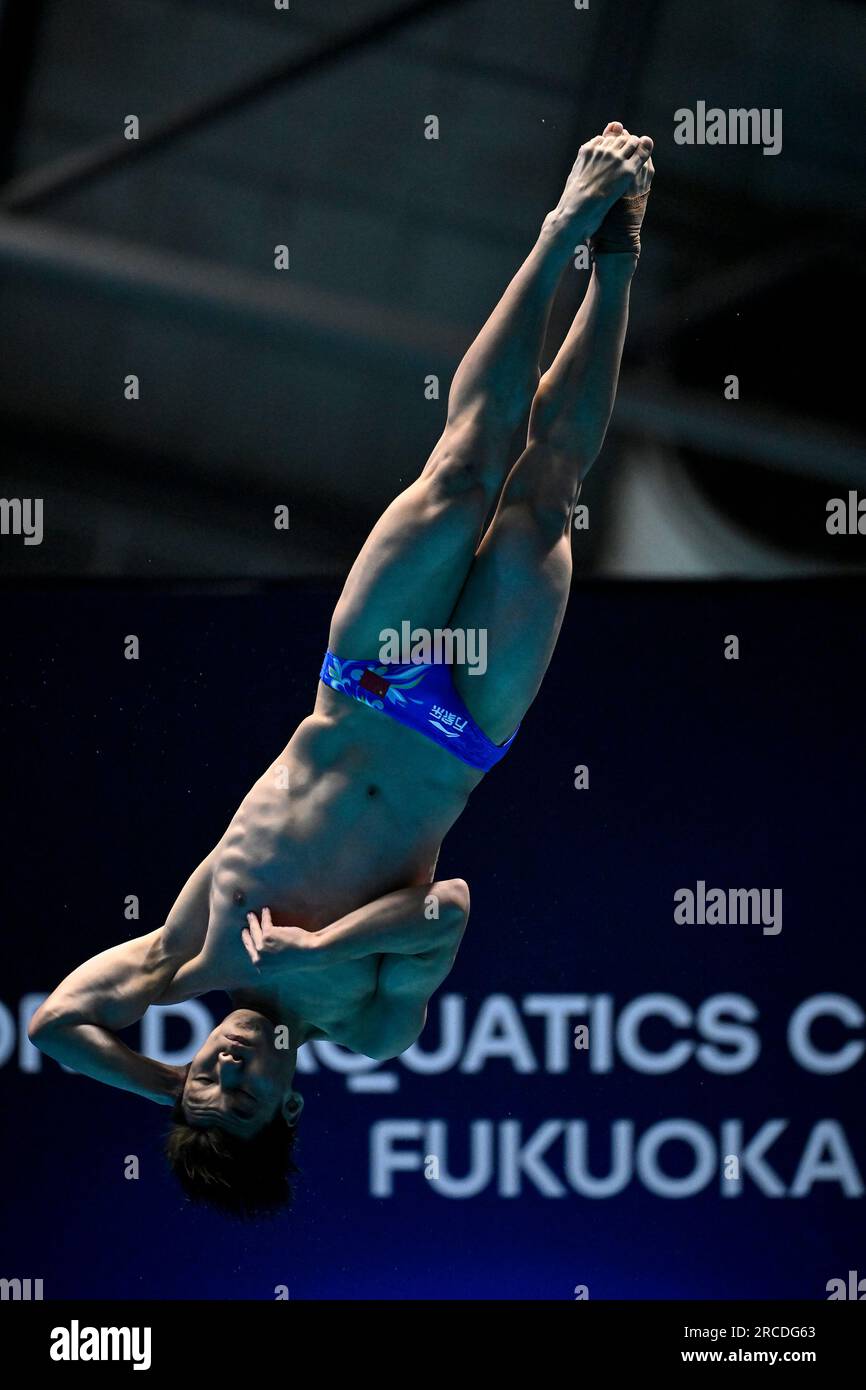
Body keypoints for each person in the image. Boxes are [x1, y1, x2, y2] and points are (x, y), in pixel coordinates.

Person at [29, 123, 654, 1215]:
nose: (226, 1067)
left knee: (462, 466)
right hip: (463, 727)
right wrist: (328, 939)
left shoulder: (188, 955)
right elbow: (445, 911)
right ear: (290, 1103)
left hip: (362, 679)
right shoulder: (366, 1025)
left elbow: (55, 1029)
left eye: (206, 1081)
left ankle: (561, 226)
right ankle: (619, 256)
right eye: (245, 1092)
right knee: (543, 495)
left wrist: (161, 1089)